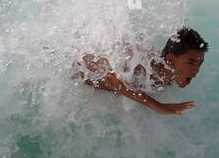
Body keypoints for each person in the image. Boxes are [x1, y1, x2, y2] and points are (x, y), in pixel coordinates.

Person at [79, 27, 208, 116]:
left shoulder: (168, 77)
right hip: (78, 70)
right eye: (190, 62)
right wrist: (157, 106)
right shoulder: (143, 67)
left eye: (200, 64)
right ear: (170, 59)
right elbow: (110, 78)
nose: (196, 70)